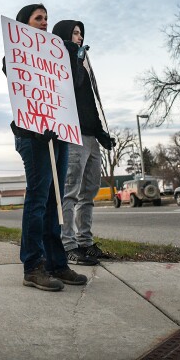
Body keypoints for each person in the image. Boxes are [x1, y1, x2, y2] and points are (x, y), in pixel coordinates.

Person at [4, 4, 89, 291]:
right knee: (38, 197)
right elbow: (15, 74)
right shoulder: (16, 52)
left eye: (46, 19)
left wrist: (73, 57)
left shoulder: (60, 54)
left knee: (55, 199)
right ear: (23, 25)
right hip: (33, 135)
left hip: (58, 134)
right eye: (38, 18)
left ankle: (56, 262)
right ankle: (32, 264)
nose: (44, 23)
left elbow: (74, 86)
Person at [52, 20, 114, 265]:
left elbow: (90, 104)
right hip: (72, 135)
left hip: (89, 136)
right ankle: (68, 245)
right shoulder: (61, 64)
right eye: (74, 33)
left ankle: (85, 242)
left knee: (89, 191)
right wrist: (73, 58)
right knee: (71, 192)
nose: (79, 37)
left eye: (81, 33)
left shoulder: (83, 64)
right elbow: (70, 89)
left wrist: (101, 133)